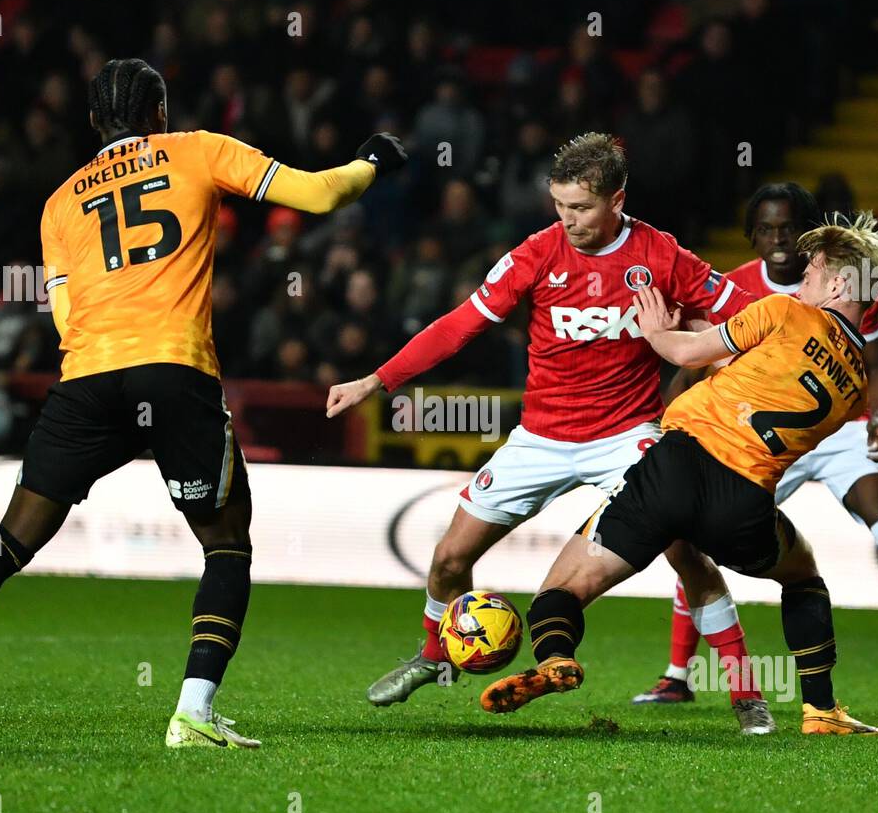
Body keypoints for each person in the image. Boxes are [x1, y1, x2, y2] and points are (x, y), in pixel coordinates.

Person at [0, 57, 407, 748]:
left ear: (93, 123)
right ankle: (192, 713)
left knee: (7, 539)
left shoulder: (60, 201)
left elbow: (65, 315)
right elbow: (317, 195)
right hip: (173, 367)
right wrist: (373, 162)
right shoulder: (197, 150)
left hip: (88, 376)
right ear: (157, 114)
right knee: (225, 545)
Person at [327, 132, 777, 735]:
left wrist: (715, 353)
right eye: (559, 205)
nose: (568, 220)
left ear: (617, 199)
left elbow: (751, 317)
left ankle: (747, 693)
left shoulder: (663, 257)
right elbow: (459, 325)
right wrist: (376, 380)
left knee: (687, 552)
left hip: (627, 435)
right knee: (448, 559)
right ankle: (436, 656)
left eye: (582, 208)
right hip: (539, 437)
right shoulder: (536, 254)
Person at [482, 213, 878, 736]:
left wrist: (659, 329)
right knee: (804, 573)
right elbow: (767, 381)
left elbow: (684, 353)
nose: (803, 278)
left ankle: (556, 658)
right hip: (742, 503)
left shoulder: (783, 311)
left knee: (562, 591)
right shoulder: (857, 382)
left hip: (673, 469)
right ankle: (821, 710)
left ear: (839, 283)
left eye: (813, 270)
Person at [643, 184, 878, 711]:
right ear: (752, 235)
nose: (779, 239)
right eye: (767, 228)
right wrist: (666, 426)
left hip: (841, 420)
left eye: (789, 228)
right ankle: (678, 673)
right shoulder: (734, 287)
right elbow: (694, 362)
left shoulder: (850, 283)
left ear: (807, 235)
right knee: (696, 531)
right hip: (759, 428)